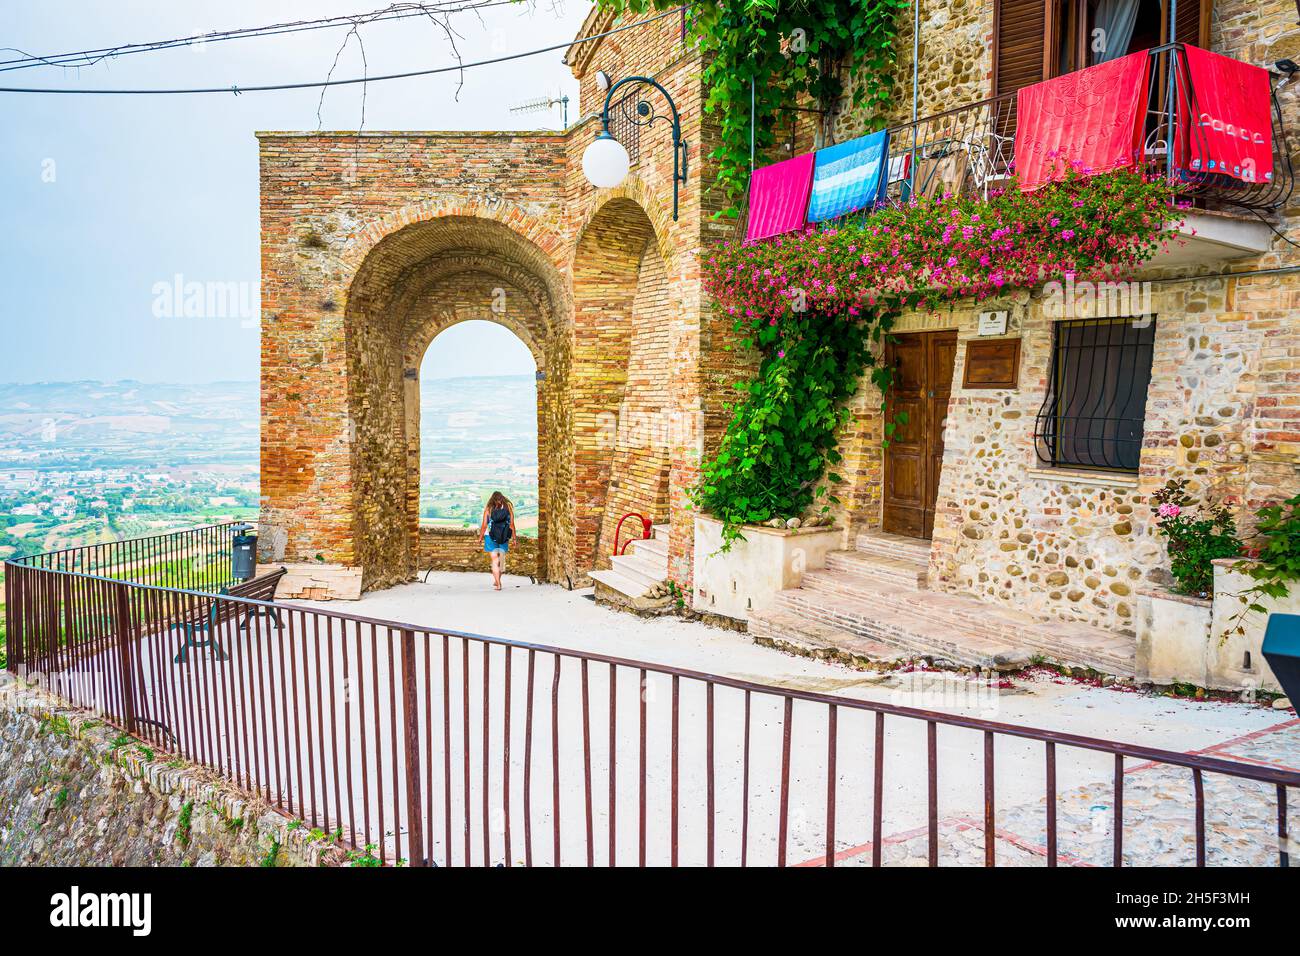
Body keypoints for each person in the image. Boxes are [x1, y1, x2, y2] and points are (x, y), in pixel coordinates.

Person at [478, 491, 515, 591]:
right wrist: (514, 538)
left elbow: (484, 525)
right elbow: (511, 525)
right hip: (504, 536)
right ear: (503, 498)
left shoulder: (489, 509)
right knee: (501, 560)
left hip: (490, 536)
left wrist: (480, 537)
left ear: (492, 499)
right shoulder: (508, 508)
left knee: (495, 560)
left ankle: (498, 583)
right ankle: (497, 579)